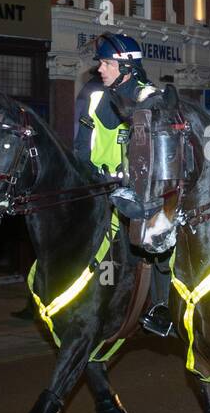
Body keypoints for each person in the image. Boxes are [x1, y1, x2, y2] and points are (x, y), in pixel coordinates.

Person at [74, 33, 174, 338]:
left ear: (127, 68)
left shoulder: (150, 98)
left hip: (141, 190)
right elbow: (81, 147)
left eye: (106, 63)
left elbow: (160, 152)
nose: (100, 69)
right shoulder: (94, 98)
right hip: (100, 185)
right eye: (101, 63)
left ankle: (161, 306)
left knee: (155, 242)